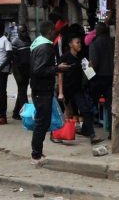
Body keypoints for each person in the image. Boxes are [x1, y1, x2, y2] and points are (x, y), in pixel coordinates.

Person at [30, 20, 72, 166]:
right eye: (54, 30)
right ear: (49, 32)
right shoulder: (45, 48)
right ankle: (36, 155)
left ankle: (38, 152)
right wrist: (57, 68)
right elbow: (38, 70)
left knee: (43, 121)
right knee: (42, 122)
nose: (57, 32)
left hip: (40, 89)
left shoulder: (38, 44)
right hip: (41, 90)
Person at [60, 35, 104, 144]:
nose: (79, 44)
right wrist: (60, 92)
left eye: (80, 42)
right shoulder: (65, 57)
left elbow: (90, 75)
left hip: (77, 90)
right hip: (66, 90)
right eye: (77, 42)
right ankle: (56, 133)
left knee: (85, 111)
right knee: (60, 113)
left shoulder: (81, 58)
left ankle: (92, 136)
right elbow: (60, 75)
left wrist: (91, 67)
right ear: (70, 44)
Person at [87, 23, 113, 135]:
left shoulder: (95, 43)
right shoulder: (113, 42)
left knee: (92, 103)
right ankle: (112, 131)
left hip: (98, 77)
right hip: (111, 77)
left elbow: (94, 63)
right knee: (110, 105)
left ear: (97, 31)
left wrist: (88, 77)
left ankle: (88, 128)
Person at [11, 25, 32, 120]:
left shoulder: (28, 40)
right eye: (22, 31)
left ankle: (16, 112)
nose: (25, 33)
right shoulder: (15, 42)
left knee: (21, 91)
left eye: (25, 31)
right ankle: (25, 113)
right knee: (22, 92)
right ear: (18, 32)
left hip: (27, 70)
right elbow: (13, 59)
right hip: (19, 71)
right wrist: (16, 72)